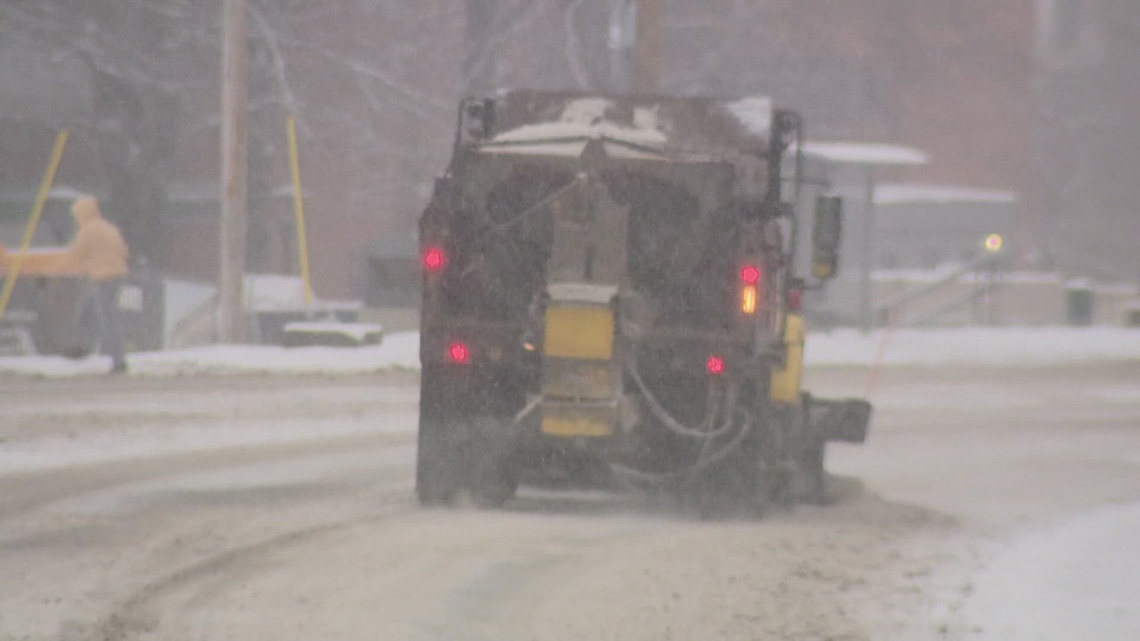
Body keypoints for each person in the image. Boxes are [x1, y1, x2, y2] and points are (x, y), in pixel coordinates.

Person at [57, 195, 130, 374]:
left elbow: (75, 254)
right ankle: (86, 346)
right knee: (90, 311)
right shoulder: (109, 227)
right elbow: (124, 250)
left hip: (103, 277)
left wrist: (56, 269)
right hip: (117, 275)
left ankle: (116, 360)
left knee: (105, 318)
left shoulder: (88, 230)